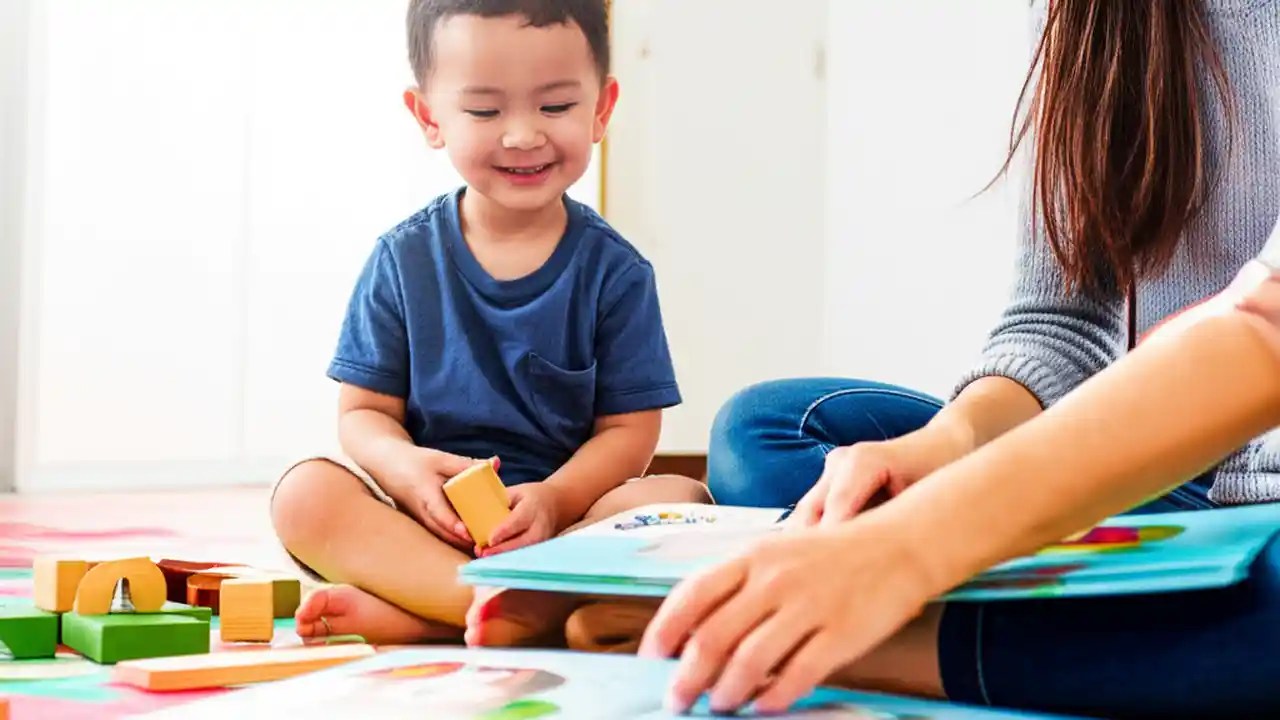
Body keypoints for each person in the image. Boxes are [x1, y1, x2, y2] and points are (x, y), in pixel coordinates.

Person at [639, 1, 1280, 717]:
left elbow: (1265, 338)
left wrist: (913, 545)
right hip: (1156, 477)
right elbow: (1058, 325)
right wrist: (947, 447)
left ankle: (837, 642)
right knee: (765, 431)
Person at [269, 0, 709, 647]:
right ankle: (501, 606)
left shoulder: (616, 272)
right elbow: (363, 414)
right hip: (426, 525)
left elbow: (629, 429)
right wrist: (404, 468)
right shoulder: (403, 258)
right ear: (430, 117)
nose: (523, 134)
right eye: (484, 110)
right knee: (305, 493)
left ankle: (437, 615)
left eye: (555, 106)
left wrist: (556, 500)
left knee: (682, 500)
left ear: (601, 110)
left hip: (564, 526)